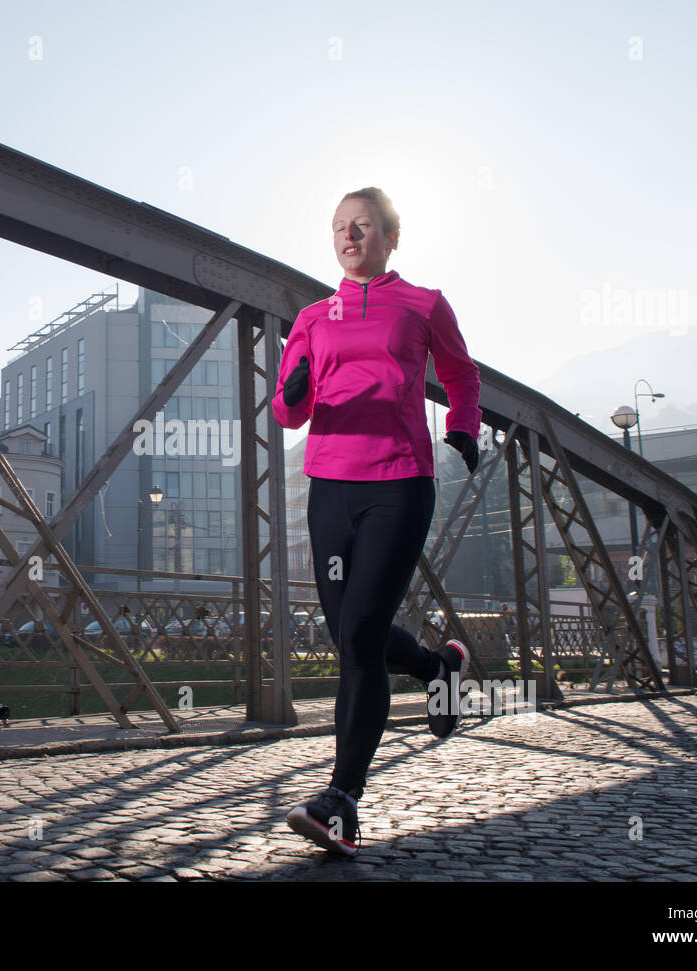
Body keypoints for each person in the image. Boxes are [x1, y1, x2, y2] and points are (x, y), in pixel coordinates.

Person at [274, 187, 482, 856]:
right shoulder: (310, 315)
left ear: (391, 236)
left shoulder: (423, 304)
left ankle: (342, 799)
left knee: (361, 632)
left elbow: (462, 374)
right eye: (339, 226)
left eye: (362, 225)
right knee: (347, 633)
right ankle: (437, 667)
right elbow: (285, 413)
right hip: (330, 485)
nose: (349, 235)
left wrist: (464, 427)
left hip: (398, 483)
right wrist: (297, 390)